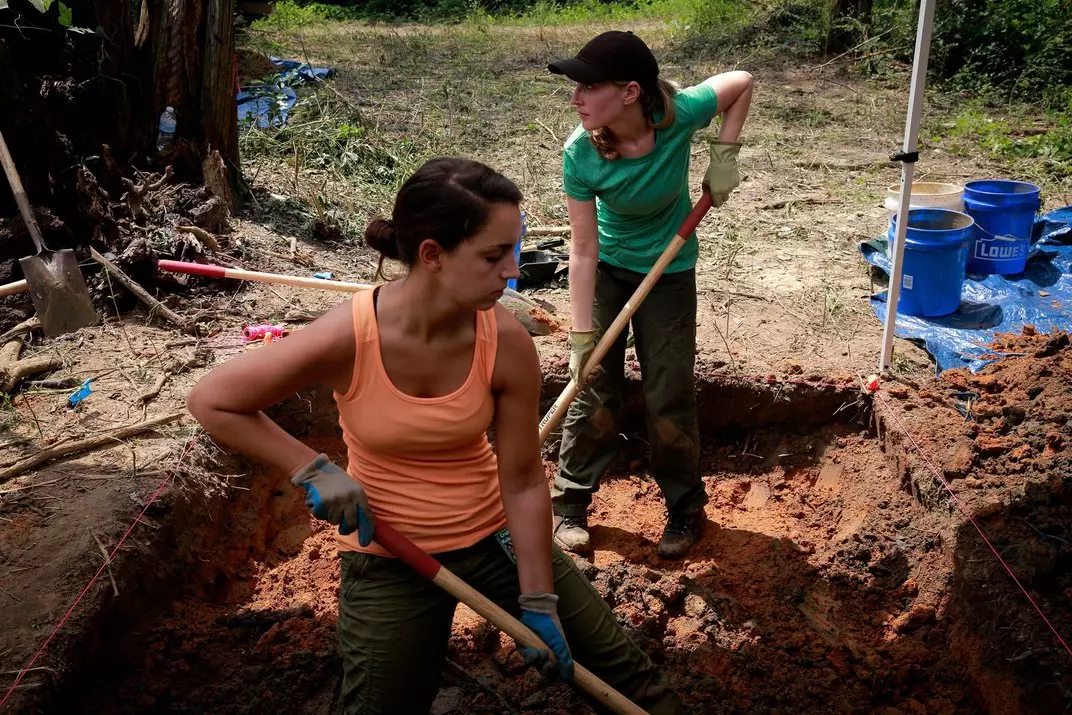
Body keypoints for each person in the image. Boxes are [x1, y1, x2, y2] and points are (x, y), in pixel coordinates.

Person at [187, 158, 683, 714]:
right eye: (494, 255)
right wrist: (311, 467)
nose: (511, 271)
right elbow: (212, 399)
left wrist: (538, 597)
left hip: (493, 537)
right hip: (389, 552)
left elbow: (520, 480)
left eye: (514, 250)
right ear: (432, 255)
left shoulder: (506, 341)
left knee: (633, 684)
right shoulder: (350, 335)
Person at [546, 31, 754, 559]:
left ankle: (685, 508)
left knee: (669, 393)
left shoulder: (678, 114)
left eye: (588, 87)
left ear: (632, 92)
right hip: (610, 270)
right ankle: (569, 505)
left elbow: (742, 82)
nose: (576, 99)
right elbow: (584, 249)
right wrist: (580, 336)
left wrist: (724, 154)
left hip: (670, 271)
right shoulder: (581, 154)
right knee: (594, 386)